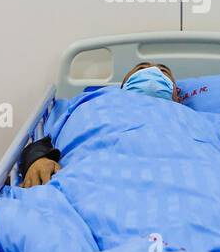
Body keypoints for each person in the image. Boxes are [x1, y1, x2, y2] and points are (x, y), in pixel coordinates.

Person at [19, 62, 178, 187]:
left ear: (178, 96)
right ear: (122, 87)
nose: (151, 72)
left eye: (163, 72)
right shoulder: (92, 103)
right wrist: (37, 159)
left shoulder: (195, 117)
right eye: (141, 69)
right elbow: (49, 138)